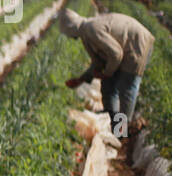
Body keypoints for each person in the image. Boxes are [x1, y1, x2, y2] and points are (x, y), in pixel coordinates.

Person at [58, 7, 153, 135]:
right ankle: (110, 118)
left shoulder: (92, 29)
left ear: (71, 30)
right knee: (108, 85)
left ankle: (121, 130)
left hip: (137, 44)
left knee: (126, 88)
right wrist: (81, 79)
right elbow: (97, 63)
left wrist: (107, 73)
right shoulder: (86, 34)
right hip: (126, 45)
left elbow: (116, 54)